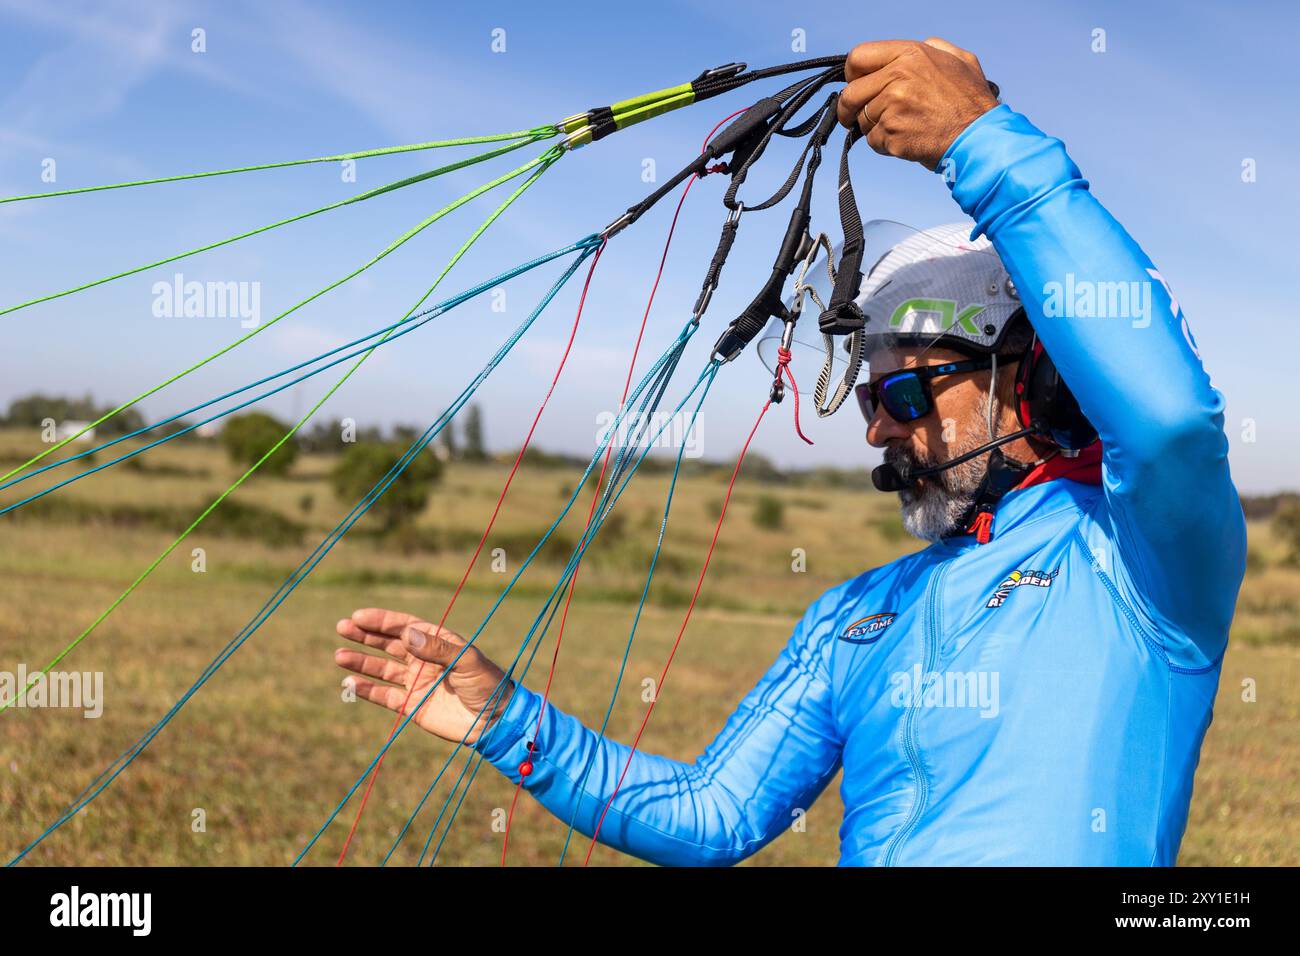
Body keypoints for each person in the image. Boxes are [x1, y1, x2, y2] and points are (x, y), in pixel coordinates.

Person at [333, 38, 1245, 865]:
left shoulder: (1140, 561)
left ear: (1029, 384)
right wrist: (509, 720)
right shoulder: (854, 615)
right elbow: (714, 812)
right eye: (863, 397)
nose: (877, 428)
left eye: (901, 392)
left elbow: (1168, 424)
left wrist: (982, 141)